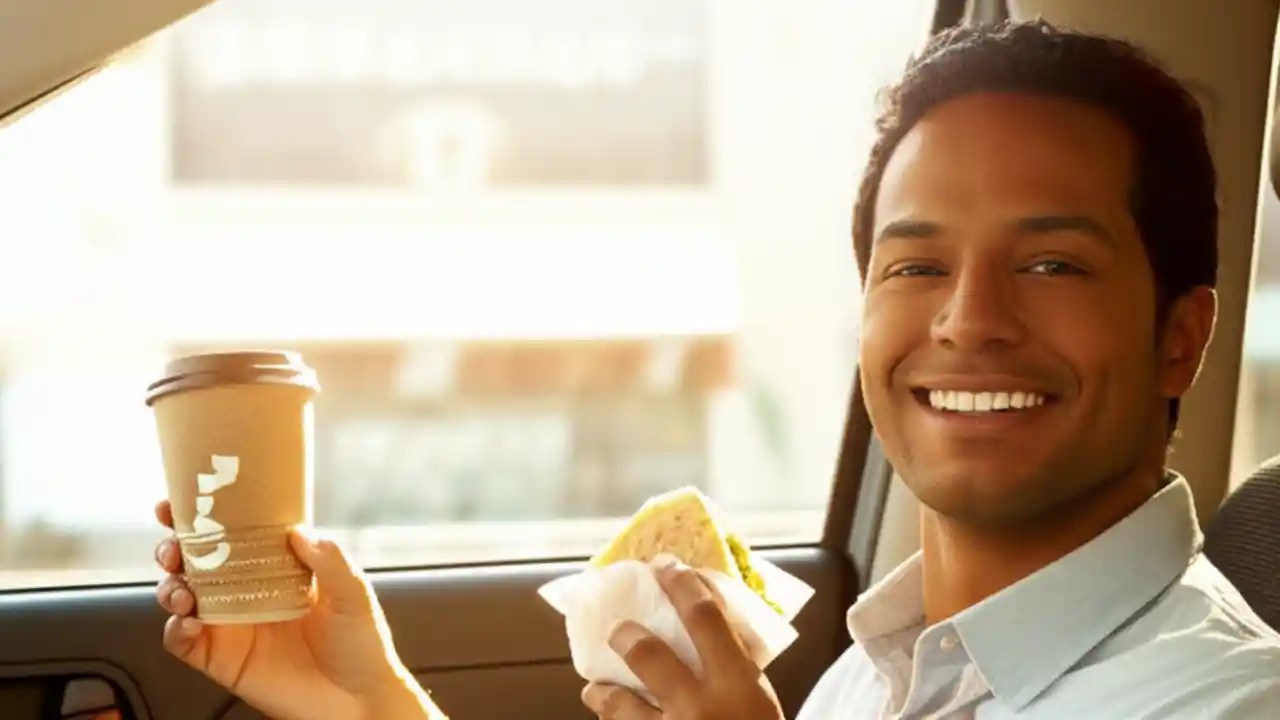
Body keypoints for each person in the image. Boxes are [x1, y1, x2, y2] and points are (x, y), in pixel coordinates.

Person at [152, 20, 1280, 719]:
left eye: (1048, 262)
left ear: (1179, 334)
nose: (967, 318)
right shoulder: (879, 670)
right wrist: (367, 706)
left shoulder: (1226, 700)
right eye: (915, 264)